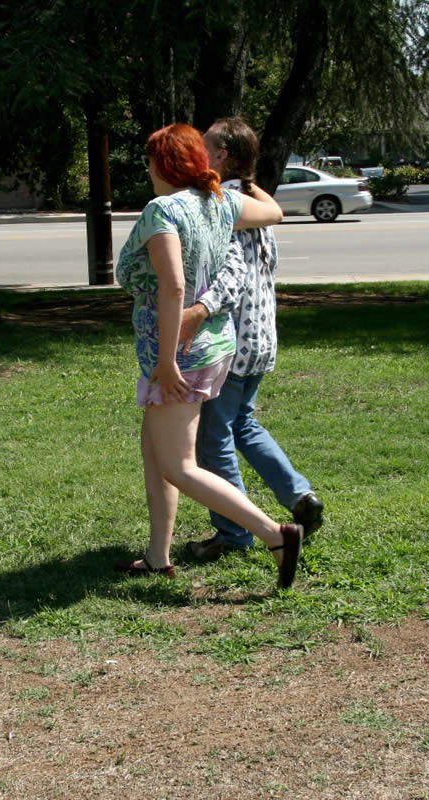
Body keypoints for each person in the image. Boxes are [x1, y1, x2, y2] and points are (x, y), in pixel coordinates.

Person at [114, 123, 305, 589]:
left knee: (179, 465)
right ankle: (158, 555)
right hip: (213, 346)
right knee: (155, 451)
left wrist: (164, 362)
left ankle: (274, 535)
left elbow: (174, 285)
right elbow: (274, 212)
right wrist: (248, 176)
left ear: (162, 164)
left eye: (149, 160)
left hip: (179, 353)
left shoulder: (163, 209)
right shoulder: (220, 201)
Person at [179, 117, 324, 562]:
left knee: (213, 439)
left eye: (205, 147)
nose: (198, 152)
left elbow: (232, 276)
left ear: (221, 156)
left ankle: (234, 532)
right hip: (261, 339)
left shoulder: (229, 205)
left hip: (234, 343)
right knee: (242, 424)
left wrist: (196, 313)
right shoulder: (257, 202)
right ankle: (300, 497)